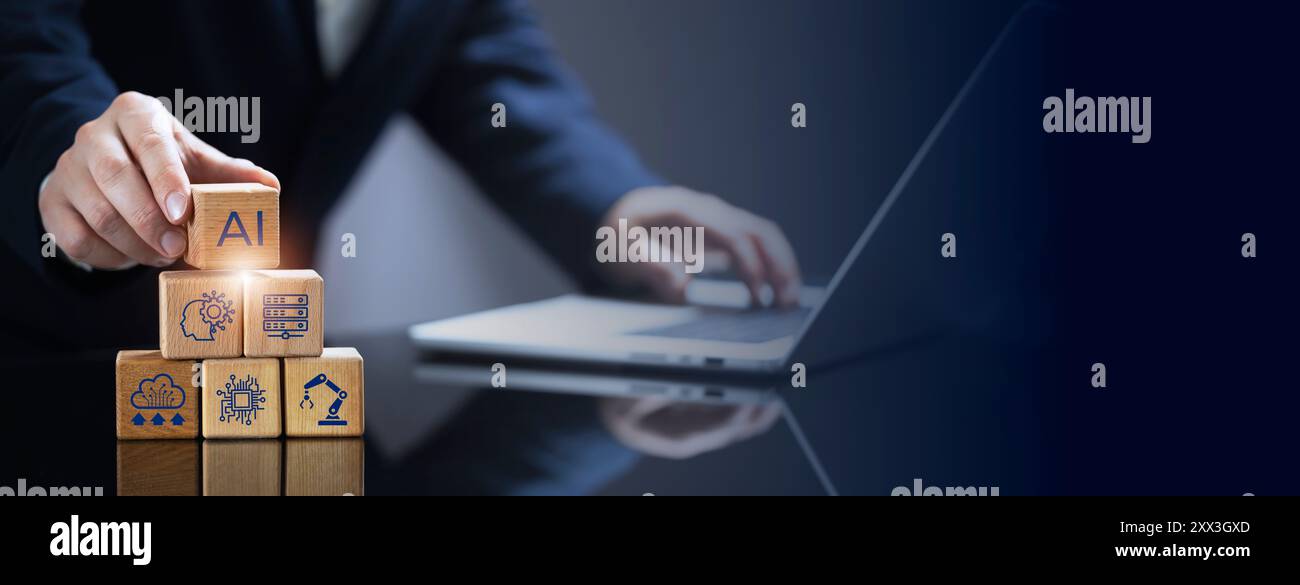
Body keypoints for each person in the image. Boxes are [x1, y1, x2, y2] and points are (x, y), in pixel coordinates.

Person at [0, 0, 800, 351]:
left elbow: (494, 68)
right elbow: (20, 41)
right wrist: (65, 154)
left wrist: (617, 204)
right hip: (42, 367)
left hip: (263, 377)